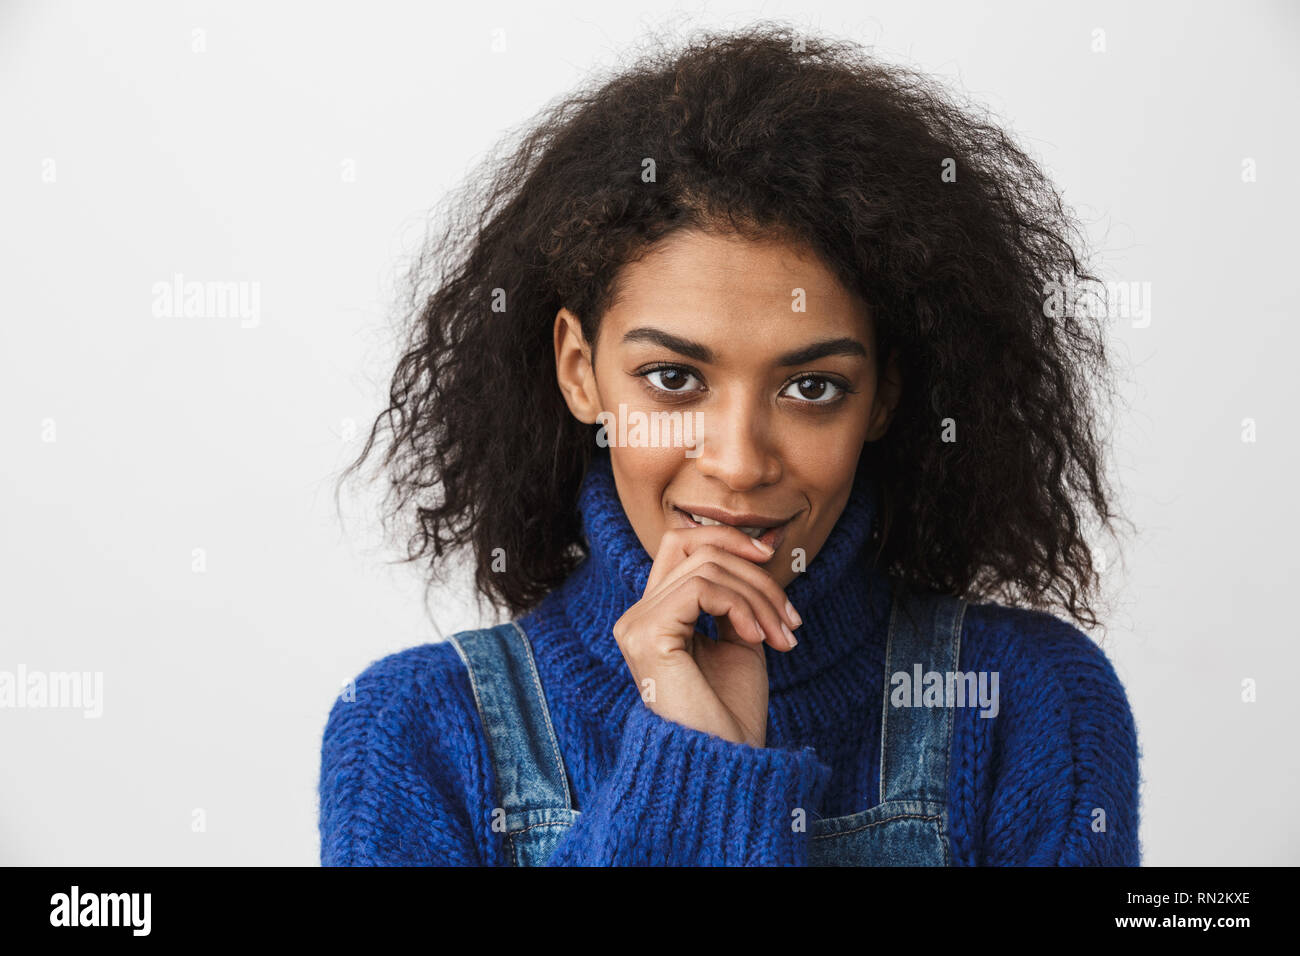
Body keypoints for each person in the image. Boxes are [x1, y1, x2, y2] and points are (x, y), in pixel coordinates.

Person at [319, 24, 1140, 866]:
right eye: (674, 379)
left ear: (884, 396)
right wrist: (692, 767)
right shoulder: (414, 730)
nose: (740, 462)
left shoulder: (1030, 703)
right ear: (580, 370)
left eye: (811, 388)